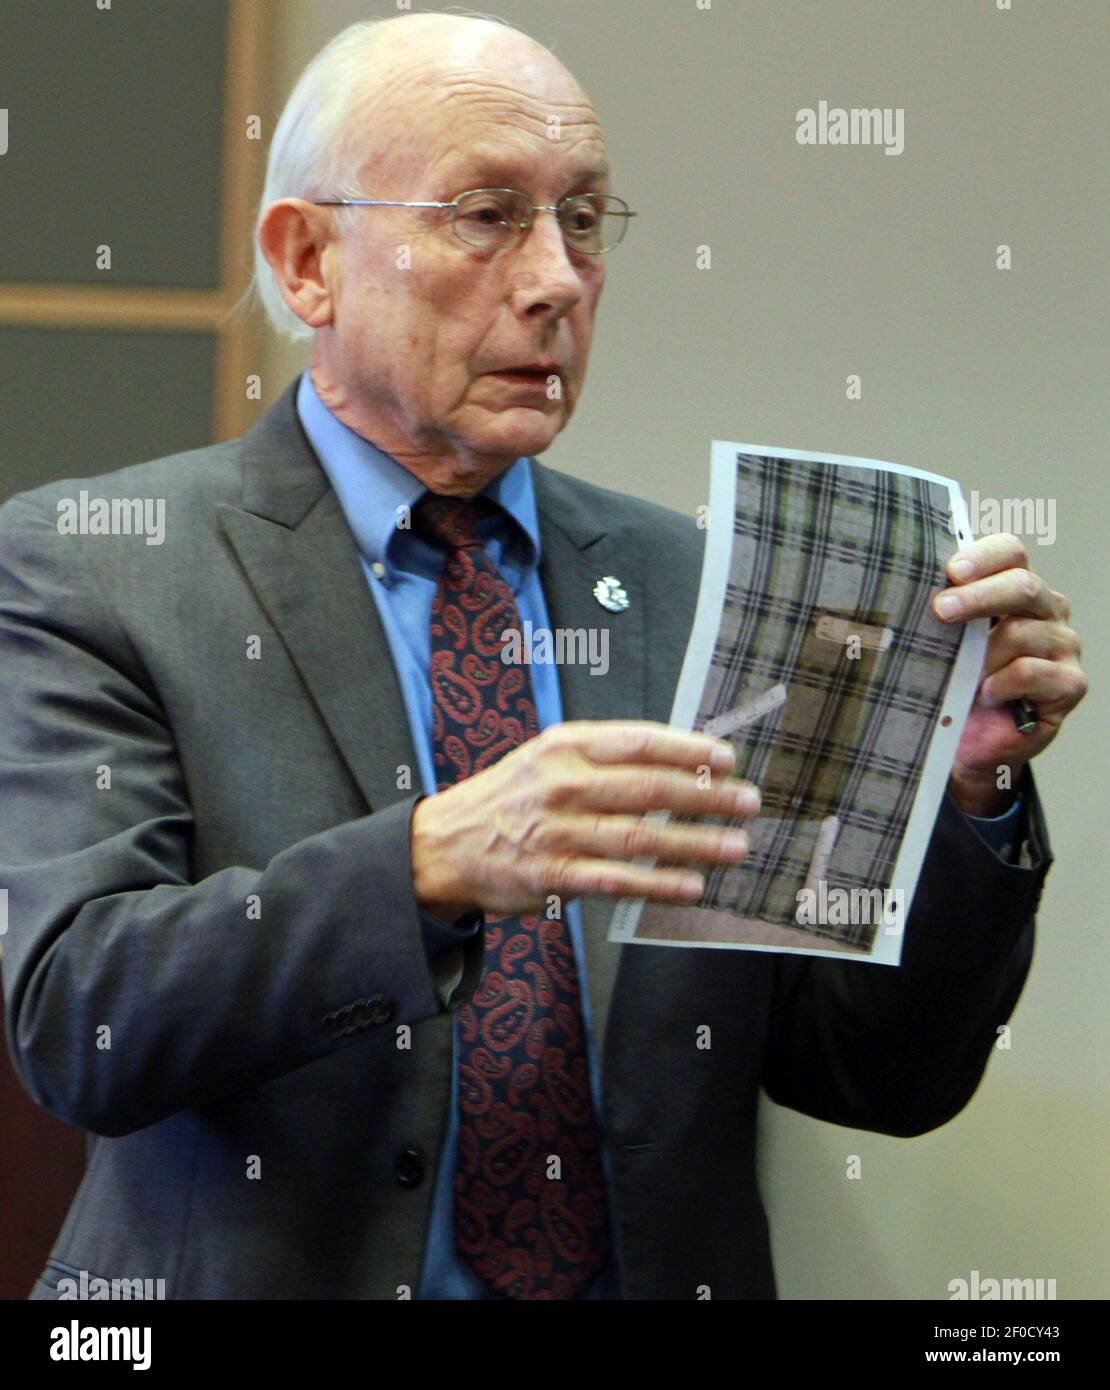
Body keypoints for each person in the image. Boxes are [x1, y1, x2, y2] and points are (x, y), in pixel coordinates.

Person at [0, 12, 1086, 1300]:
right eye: (484, 213)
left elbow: (877, 1074)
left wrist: (968, 796)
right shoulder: (92, 563)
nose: (558, 277)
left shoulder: (686, 586)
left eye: (583, 218)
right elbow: (83, 1016)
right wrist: (428, 866)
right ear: (307, 261)